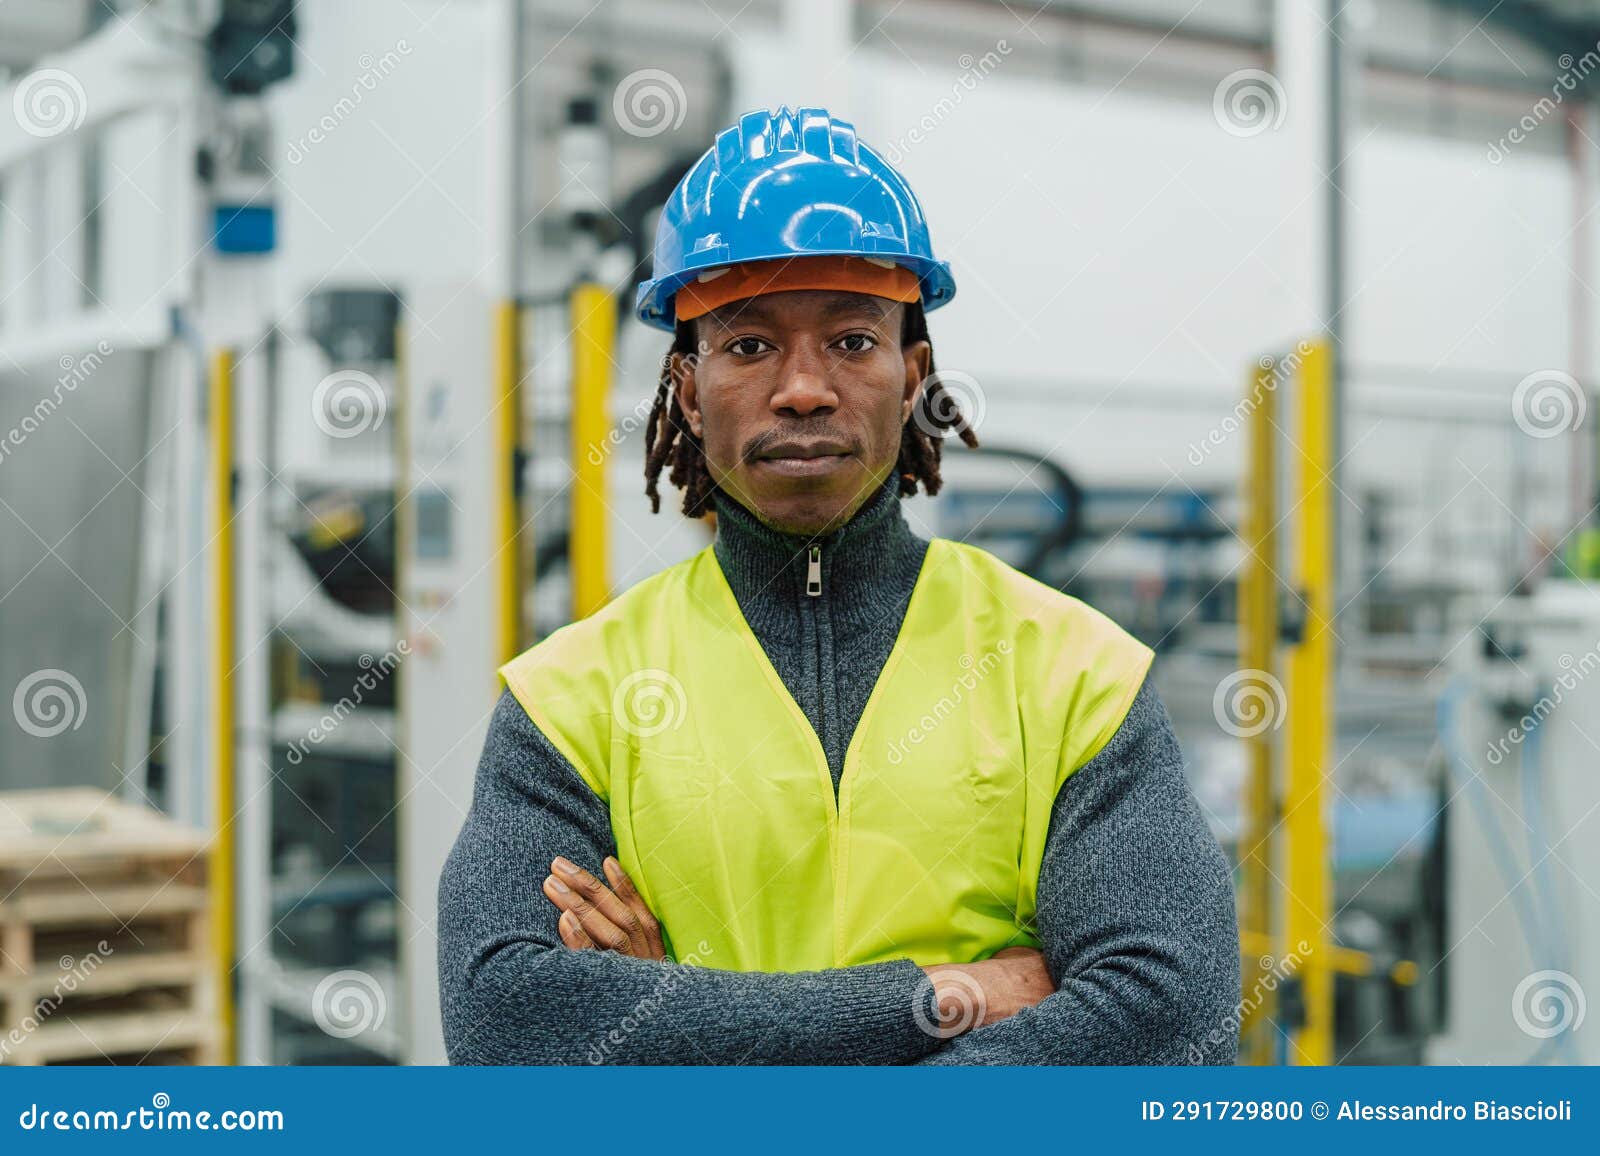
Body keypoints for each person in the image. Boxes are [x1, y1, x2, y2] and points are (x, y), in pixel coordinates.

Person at [437, 105, 1238, 1064]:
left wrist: (670, 1023)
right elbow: (506, 1021)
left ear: (913, 376)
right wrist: (942, 998)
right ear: (688, 392)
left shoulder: (1072, 675)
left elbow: (1169, 1020)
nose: (804, 387)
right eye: (748, 345)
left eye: (853, 341)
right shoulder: (572, 699)